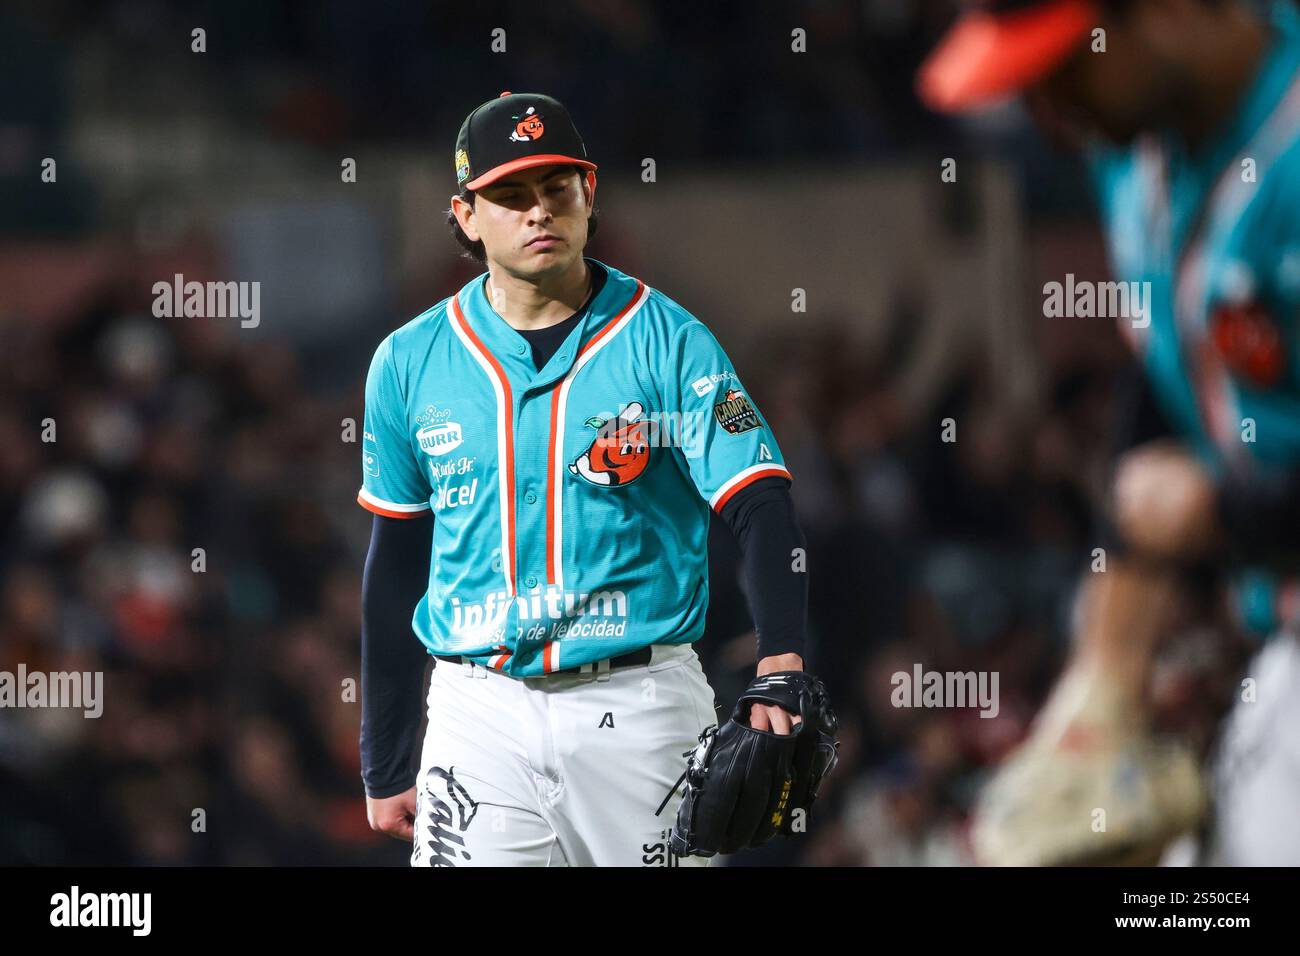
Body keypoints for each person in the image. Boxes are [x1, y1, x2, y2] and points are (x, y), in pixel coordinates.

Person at [356, 92, 812, 866]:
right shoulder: (408, 361)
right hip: (479, 707)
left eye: (555, 189)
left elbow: (758, 500)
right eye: (509, 195)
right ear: (465, 215)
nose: (538, 211)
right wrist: (386, 757)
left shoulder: (668, 340)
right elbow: (396, 560)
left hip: (639, 704)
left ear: (588, 194)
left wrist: (782, 660)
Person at [919, 0, 1300, 865]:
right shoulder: (1137, 154)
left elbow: (1207, 501)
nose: (1045, 111)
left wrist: (1230, 514)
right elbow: (1171, 366)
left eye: (1062, 68)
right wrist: (1103, 669)